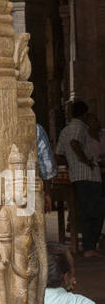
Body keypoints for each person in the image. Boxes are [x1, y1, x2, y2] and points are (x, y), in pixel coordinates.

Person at [56, 99, 105, 258]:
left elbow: (59, 155)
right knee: (96, 211)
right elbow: (74, 143)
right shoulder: (81, 128)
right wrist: (85, 161)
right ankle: (89, 247)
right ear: (84, 114)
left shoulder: (64, 130)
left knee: (84, 211)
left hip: (76, 176)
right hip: (89, 175)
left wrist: (72, 163)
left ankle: (88, 246)